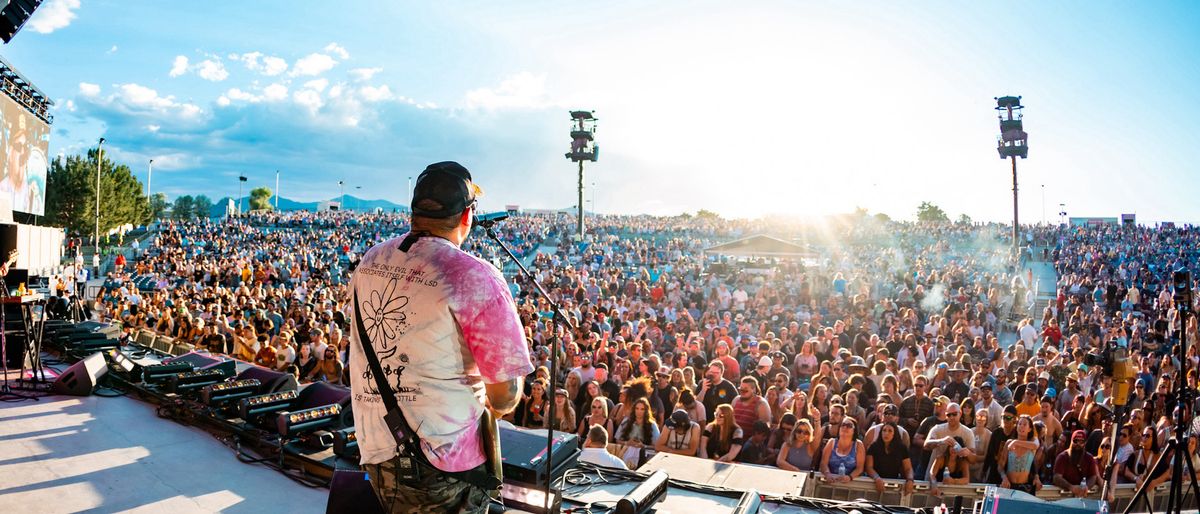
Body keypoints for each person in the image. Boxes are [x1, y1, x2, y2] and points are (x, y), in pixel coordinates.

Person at [349, 162, 532, 513]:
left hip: (376, 446)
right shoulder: (473, 277)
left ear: (414, 211)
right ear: (467, 215)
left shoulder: (371, 259)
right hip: (443, 462)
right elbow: (505, 394)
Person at [866, 421, 915, 495]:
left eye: (890, 431)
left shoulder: (902, 448)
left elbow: (908, 468)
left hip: (894, 484)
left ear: (894, 434)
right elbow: (869, 467)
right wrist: (877, 478)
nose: (886, 433)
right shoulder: (873, 447)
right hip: (874, 483)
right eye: (884, 430)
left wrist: (910, 479)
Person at [997, 415, 1042, 494]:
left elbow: (1035, 446)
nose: (1021, 426)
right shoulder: (1009, 442)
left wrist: (1016, 442)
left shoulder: (1033, 441)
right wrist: (1004, 477)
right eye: (1019, 424)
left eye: (1025, 424)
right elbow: (1000, 465)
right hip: (1009, 486)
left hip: (1025, 487)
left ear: (1030, 429)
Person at [1053, 430, 1100, 498]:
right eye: (1075, 441)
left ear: (1085, 443)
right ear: (1071, 441)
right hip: (1063, 497)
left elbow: (1093, 476)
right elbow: (1056, 477)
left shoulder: (1089, 458)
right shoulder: (1062, 457)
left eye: (1081, 442)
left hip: (1083, 496)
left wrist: (1087, 487)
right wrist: (1071, 487)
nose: (1078, 444)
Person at [821, 417, 865, 483]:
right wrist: (827, 474)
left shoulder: (858, 445)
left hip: (851, 484)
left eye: (849, 426)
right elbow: (823, 463)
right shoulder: (831, 442)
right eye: (843, 425)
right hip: (831, 483)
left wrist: (850, 477)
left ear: (854, 430)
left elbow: (860, 468)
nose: (845, 427)